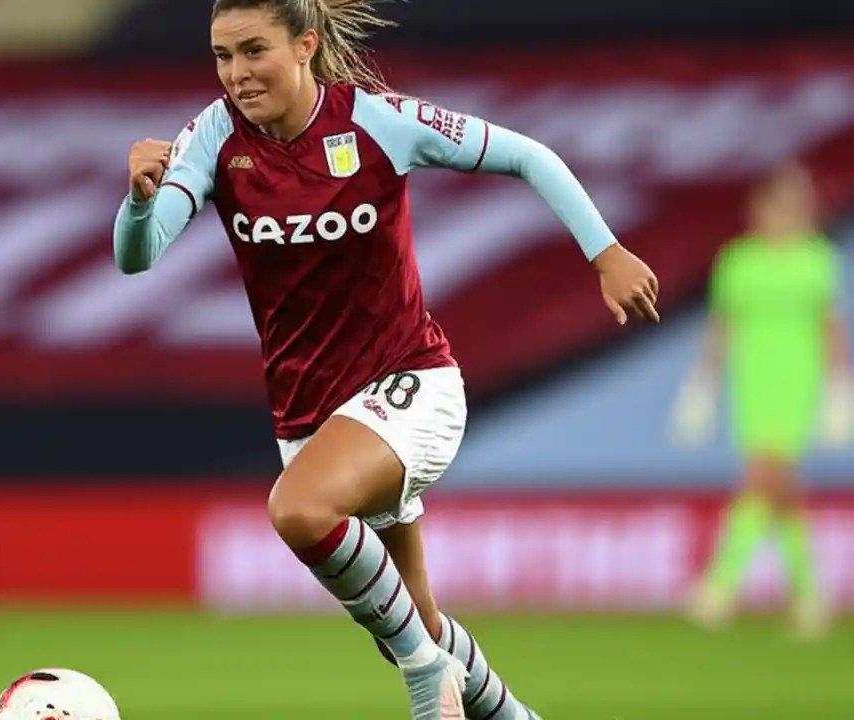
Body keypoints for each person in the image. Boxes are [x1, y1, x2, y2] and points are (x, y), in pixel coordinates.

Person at [113, 1, 659, 717]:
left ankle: (423, 671)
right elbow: (138, 256)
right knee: (414, 619)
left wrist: (606, 252)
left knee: (302, 513)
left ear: (305, 45)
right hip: (309, 416)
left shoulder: (377, 121)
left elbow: (528, 154)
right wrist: (139, 200)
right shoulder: (215, 137)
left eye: (254, 51)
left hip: (412, 384)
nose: (237, 75)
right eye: (222, 56)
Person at [672, 160, 851, 639]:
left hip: (798, 380)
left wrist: (839, 387)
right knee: (781, 488)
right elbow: (722, 327)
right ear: (762, 206)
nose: (790, 213)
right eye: (782, 203)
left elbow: (830, 326)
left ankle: (721, 586)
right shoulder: (740, 260)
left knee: (765, 475)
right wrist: (702, 387)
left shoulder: (817, 258)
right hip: (751, 380)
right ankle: (809, 595)